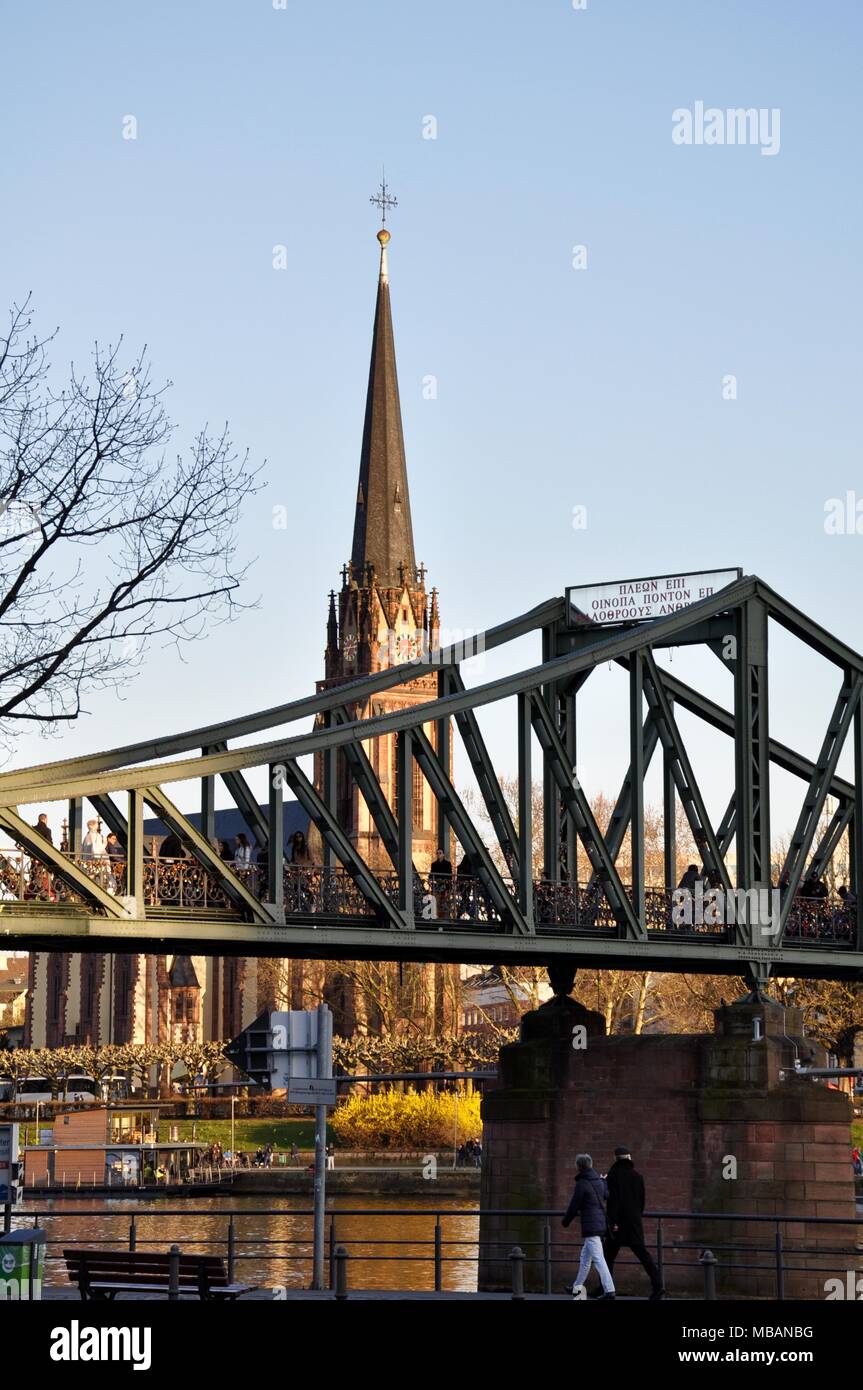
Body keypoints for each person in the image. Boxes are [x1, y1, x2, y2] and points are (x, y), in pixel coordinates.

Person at [604, 1145, 664, 1300]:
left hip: (618, 1223)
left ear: (615, 1159)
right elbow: (642, 1201)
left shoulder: (612, 1176)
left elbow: (613, 1202)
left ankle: (606, 1287)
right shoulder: (638, 1176)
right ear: (629, 1158)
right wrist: (636, 1215)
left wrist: (611, 1221)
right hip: (634, 1222)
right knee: (643, 1255)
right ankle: (658, 1286)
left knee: (607, 1256)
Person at [562, 1153, 615, 1300]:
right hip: (599, 1224)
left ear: (579, 1167)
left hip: (591, 1226)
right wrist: (604, 1181)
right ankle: (577, 1288)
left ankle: (610, 1291)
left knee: (598, 1259)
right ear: (590, 1165)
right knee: (585, 1259)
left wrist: (565, 1221)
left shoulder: (582, 1184)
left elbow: (574, 1205)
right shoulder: (598, 1181)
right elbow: (606, 1195)